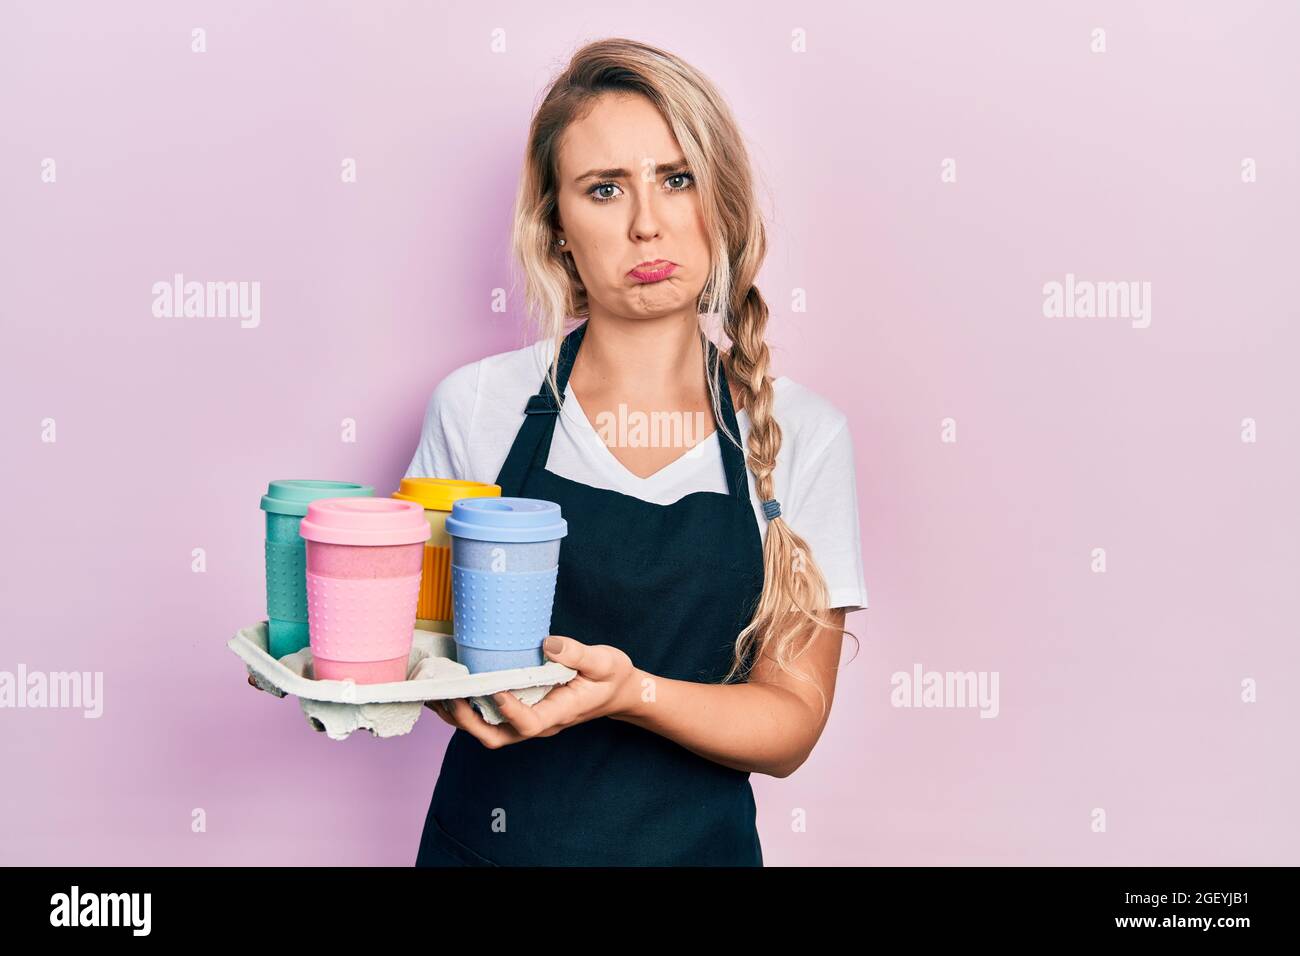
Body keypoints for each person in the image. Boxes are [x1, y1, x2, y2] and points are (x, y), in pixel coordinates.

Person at [406, 38, 868, 867]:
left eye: (676, 178)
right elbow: (428, 652)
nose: (646, 221)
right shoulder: (476, 408)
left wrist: (632, 694)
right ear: (557, 227)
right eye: (605, 188)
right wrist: (442, 693)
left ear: (719, 201)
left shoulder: (803, 435)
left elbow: (790, 727)